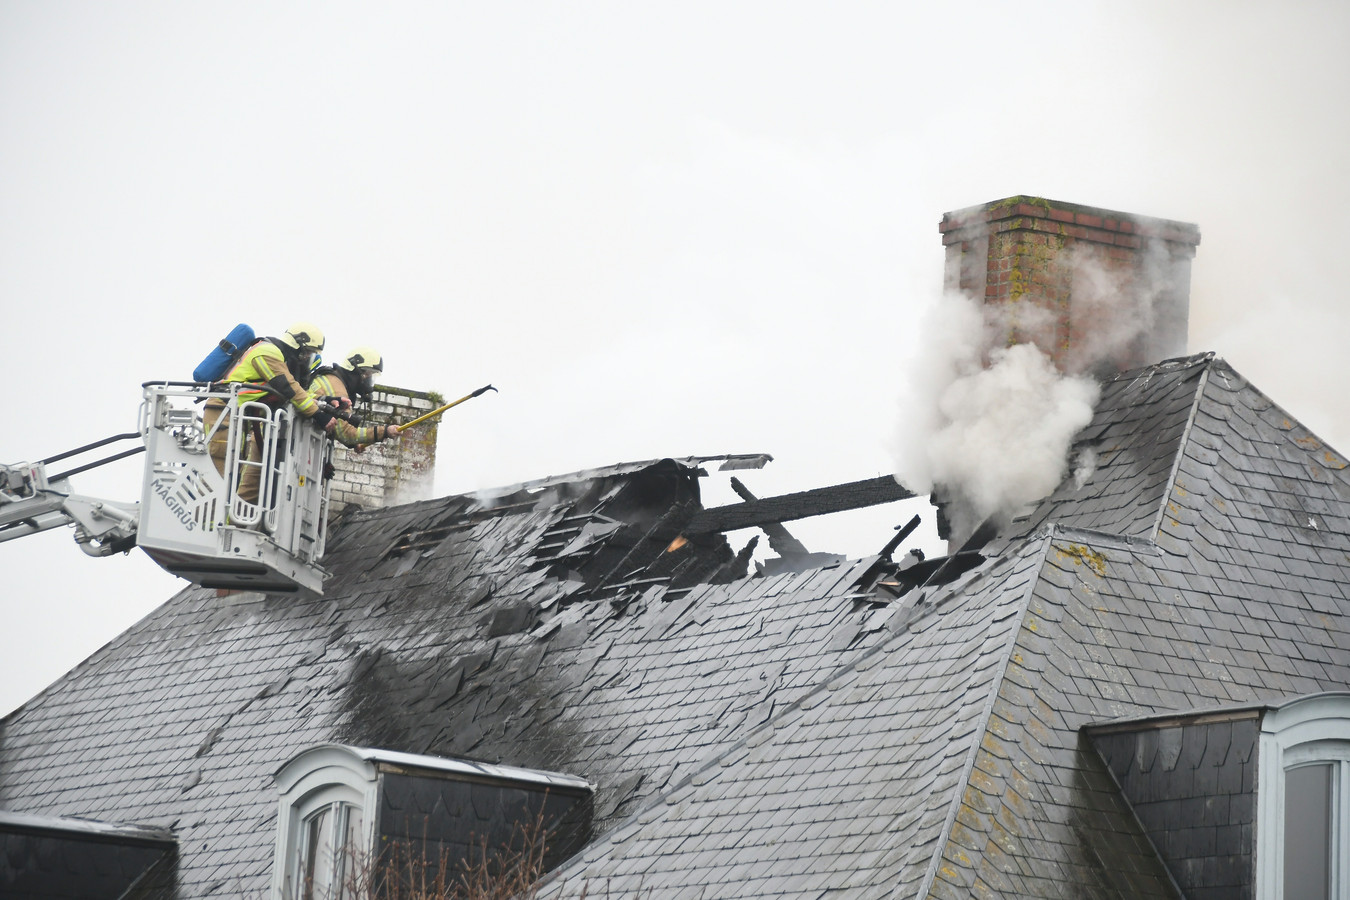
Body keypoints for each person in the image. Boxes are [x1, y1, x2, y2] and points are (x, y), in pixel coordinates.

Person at [203, 322, 336, 506]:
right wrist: (318, 415)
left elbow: (291, 390)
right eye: (308, 352)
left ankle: (220, 523)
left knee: (233, 475)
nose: (307, 358)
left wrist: (325, 401)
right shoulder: (267, 353)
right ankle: (209, 527)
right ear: (298, 345)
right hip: (223, 413)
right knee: (220, 476)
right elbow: (287, 387)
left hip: (233, 416)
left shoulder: (276, 357)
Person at [308, 347, 400, 449]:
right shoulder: (338, 390)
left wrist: (354, 443)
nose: (369, 380)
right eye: (368, 374)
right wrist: (385, 431)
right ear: (356, 371)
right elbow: (345, 434)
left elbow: (338, 429)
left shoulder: (333, 380)